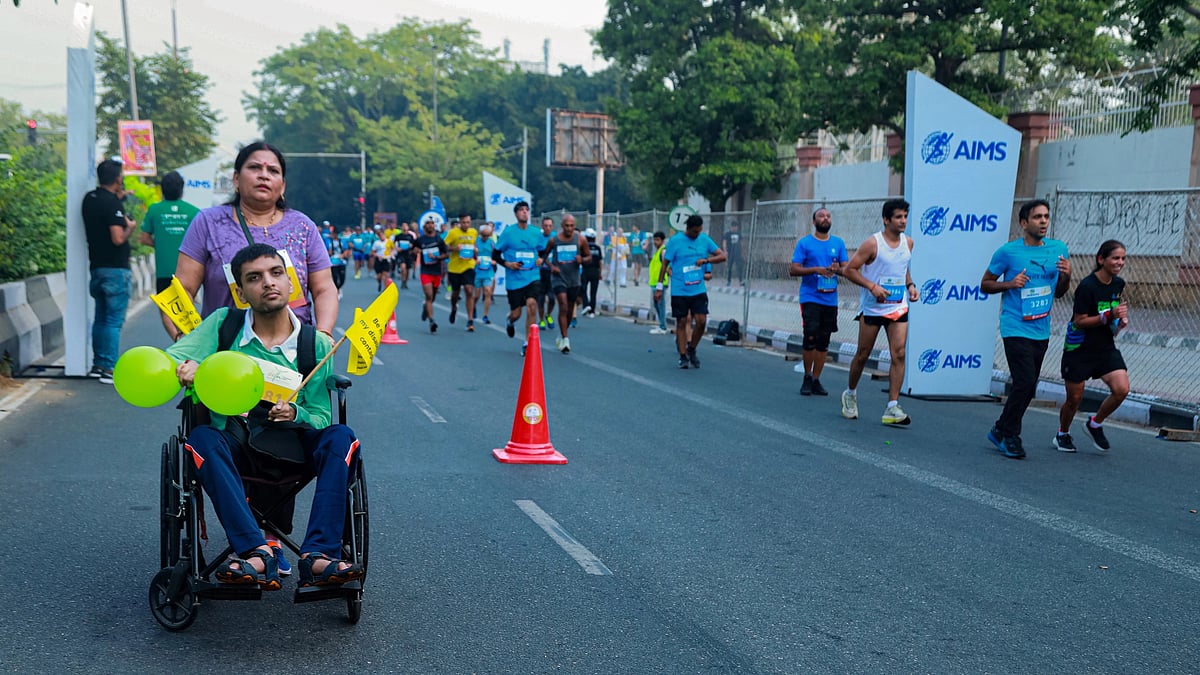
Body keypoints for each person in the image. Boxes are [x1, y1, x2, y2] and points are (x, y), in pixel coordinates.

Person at [165, 244, 363, 590]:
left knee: (341, 437)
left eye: (276, 273)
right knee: (200, 438)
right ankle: (255, 551)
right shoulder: (223, 326)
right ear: (241, 293)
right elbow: (169, 360)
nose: (268, 283)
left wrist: (295, 411)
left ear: (290, 282)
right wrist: (190, 366)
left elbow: (320, 416)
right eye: (254, 278)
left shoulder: (315, 344)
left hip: (293, 445)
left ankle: (319, 554)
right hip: (236, 441)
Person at [175, 141, 337, 338]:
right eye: (254, 167)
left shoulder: (303, 226)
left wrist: (324, 335)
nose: (264, 175)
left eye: (273, 171)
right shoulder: (208, 222)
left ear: (282, 185)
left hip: (293, 349)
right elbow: (182, 290)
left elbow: (324, 289)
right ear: (236, 179)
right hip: (226, 349)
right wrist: (188, 340)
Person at [980, 199, 1072, 459]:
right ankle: (1010, 435)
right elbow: (985, 284)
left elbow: (1060, 293)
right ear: (1024, 223)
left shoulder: (1058, 249)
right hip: (1015, 326)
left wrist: (1067, 275)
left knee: (1029, 386)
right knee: (1024, 381)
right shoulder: (1008, 252)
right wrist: (1010, 284)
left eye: (1046, 217)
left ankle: (1000, 429)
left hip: (1041, 328)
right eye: (1037, 217)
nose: (1043, 221)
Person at [841, 199, 918, 425]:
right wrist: (872, 286)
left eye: (905, 216)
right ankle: (850, 394)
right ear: (886, 220)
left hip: (898, 306)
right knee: (863, 354)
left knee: (899, 353)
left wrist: (911, 285)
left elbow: (902, 267)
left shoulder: (908, 242)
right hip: (873, 307)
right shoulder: (872, 244)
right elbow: (849, 270)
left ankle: (892, 406)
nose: (903, 221)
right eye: (898, 217)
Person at [1056, 240, 1130, 452]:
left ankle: (1095, 423)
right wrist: (1108, 316)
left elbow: (1112, 318)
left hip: (1104, 347)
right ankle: (1062, 433)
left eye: (1123, 258)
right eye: (1115, 258)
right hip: (1079, 349)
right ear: (1101, 259)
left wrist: (1119, 323)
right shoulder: (1087, 287)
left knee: (1122, 389)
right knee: (1074, 399)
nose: (1120, 262)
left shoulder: (1118, 284)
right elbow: (1080, 321)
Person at [82, 158, 137, 384]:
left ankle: (98, 364)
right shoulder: (112, 204)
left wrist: (119, 199)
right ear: (118, 178)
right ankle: (109, 369)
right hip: (115, 270)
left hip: (97, 267)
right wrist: (130, 228)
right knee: (113, 321)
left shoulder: (90, 198)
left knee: (101, 319)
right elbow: (117, 238)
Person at [788, 207, 848, 396]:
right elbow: (793, 269)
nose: (825, 218)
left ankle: (816, 379)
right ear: (814, 222)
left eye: (828, 216)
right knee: (810, 336)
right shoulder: (805, 243)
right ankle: (806, 376)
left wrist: (838, 269)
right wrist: (815, 269)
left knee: (824, 341)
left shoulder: (838, 243)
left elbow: (847, 269)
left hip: (830, 299)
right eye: (821, 216)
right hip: (811, 297)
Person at [655, 214, 726, 369]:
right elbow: (665, 264)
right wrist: (659, 287)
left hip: (698, 288)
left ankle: (692, 348)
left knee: (701, 321)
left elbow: (722, 256)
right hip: (680, 289)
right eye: (695, 232)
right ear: (688, 228)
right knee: (681, 322)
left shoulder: (704, 239)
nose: (697, 234)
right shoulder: (675, 241)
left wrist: (706, 260)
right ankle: (683, 356)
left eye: (699, 231)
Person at [494, 201, 544, 356]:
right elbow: (495, 254)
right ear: (516, 214)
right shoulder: (508, 233)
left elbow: (543, 250)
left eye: (527, 210)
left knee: (532, 305)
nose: (524, 212)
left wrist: (541, 259)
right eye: (521, 210)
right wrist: (508, 264)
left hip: (532, 276)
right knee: (516, 314)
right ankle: (510, 320)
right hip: (514, 279)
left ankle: (528, 343)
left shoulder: (536, 232)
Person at [141, 170, 200, 294]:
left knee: (165, 306)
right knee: (185, 306)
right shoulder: (194, 212)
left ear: (162, 190)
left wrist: (161, 243)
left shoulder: (154, 210)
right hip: (187, 272)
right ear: (182, 190)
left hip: (163, 272)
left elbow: (144, 238)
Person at [545, 214, 591, 353]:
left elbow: (589, 257)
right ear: (562, 226)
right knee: (563, 305)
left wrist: (582, 259)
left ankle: (562, 333)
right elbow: (544, 257)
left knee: (570, 309)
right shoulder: (554, 240)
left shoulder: (580, 239)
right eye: (567, 226)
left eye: (571, 226)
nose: (569, 228)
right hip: (558, 278)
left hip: (573, 279)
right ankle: (565, 339)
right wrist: (552, 267)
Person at [444, 213, 479, 331]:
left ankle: (470, 320)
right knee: (455, 293)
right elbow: (444, 246)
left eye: (468, 222)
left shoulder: (473, 232)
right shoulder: (453, 233)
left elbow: (474, 245)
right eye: (464, 222)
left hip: (468, 265)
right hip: (455, 268)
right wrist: (454, 248)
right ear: (460, 222)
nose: (466, 225)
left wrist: (476, 251)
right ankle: (454, 307)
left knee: (469, 290)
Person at [415, 218, 449, 333]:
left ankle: (426, 307)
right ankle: (431, 321)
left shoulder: (438, 240)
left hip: (436, 271)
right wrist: (415, 251)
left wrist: (437, 257)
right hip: (425, 271)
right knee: (429, 295)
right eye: (428, 224)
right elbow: (412, 250)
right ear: (424, 226)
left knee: (432, 296)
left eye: (432, 223)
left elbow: (446, 254)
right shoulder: (420, 240)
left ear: (434, 226)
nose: (430, 225)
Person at [471, 222, 497, 324]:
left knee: (487, 291)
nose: (485, 237)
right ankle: (473, 306)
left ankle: (485, 315)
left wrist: (494, 261)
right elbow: (470, 255)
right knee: (477, 295)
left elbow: (496, 255)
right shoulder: (475, 241)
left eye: (487, 235)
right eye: (483, 235)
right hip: (477, 271)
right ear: (480, 234)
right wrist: (474, 260)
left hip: (488, 270)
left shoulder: (491, 242)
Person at [647, 231, 670, 334]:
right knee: (656, 304)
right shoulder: (657, 252)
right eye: (654, 240)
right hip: (655, 282)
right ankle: (661, 324)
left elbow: (666, 265)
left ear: (662, 240)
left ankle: (663, 326)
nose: (655, 242)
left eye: (657, 240)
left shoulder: (663, 251)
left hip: (661, 283)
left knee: (660, 304)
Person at [537, 216, 556, 330]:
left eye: (550, 226)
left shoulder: (555, 237)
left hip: (552, 272)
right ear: (542, 226)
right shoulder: (538, 238)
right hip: (541, 271)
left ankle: (548, 314)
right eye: (545, 226)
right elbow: (540, 255)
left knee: (552, 298)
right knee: (541, 298)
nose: (548, 228)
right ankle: (541, 320)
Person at [580, 228, 604, 317]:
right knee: (593, 292)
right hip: (595, 271)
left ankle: (586, 305)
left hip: (586, 270)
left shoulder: (583, 248)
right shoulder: (597, 248)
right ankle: (592, 311)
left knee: (583, 289)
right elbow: (600, 262)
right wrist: (600, 273)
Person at [326, 226, 348, 300]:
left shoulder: (342, 241)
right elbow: (326, 250)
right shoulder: (328, 241)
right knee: (334, 277)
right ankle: (336, 290)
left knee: (342, 278)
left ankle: (339, 287)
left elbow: (346, 250)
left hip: (341, 261)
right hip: (333, 261)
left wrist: (343, 255)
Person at [393, 222, 416, 289]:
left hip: (408, 254)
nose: (404, 227)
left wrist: (411, 246)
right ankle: (403, 280)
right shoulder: (398, 236)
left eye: (405, 226)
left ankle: (405, 281)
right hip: (401, 254)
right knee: (403, 268)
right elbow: (394, 244)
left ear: (408, 227)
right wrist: (397, 248)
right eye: (403, 226)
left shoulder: (410, 236)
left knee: (408, 270)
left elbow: (413, 245)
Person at [369, 227, 391, 292]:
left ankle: (385, 289)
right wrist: (377, 256)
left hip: (386, 259)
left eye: (383, 235)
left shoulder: (389, 241)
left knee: (386, 275)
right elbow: (372, 252)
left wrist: (391, 254)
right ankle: (379, 283)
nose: (382, 237)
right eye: (380, 236)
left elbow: (393, 249)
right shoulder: (376, 243)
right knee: (379, 276)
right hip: (379, 260)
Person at [723, 221, 744, 285]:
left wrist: (742, 252)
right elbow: (724, 242)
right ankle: (728, 281)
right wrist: (725, 251)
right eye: (733, 227)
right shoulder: (727, 234)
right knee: (729, 267)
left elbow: (741, 244)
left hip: (737, 253)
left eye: (735, 227)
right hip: (730, 253)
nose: (734, 228)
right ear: (731, 227)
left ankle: (741, 280)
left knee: (739, 267)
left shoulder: (739, 234)